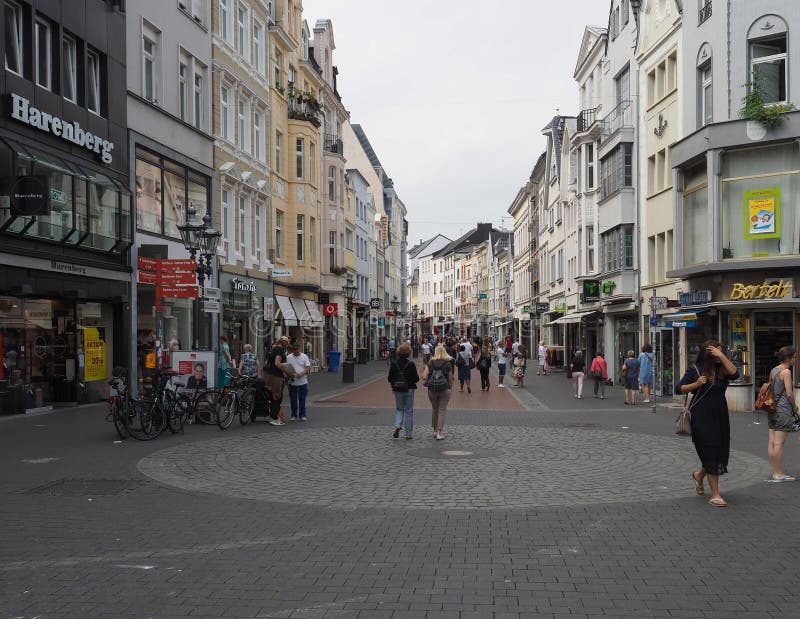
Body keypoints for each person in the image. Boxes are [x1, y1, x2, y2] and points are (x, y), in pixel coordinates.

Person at [678, 340, 739, 507]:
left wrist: (722, 356)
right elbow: (679, 388)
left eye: (721, 352)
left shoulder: (722, 369)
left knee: (718, 450)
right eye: (716, 353)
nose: (719, 356)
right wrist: (696, 384)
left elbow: (735, 374)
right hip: (701, 416)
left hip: (719, 416)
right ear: (707, 355)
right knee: (710, 450)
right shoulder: (695, 369)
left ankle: (699, 475)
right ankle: (715, 494)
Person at [766, 346, 800, 482]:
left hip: (772, 410)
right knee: (779, 444)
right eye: (795, 357)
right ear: (788, 358)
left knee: (772, 442)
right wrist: (795, 407)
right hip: (783, 411)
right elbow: (789, 393)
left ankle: (775, 471)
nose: (796, 359)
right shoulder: (786, 372)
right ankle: (778, 474)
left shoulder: (774, 370)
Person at [421, 344, 454, 440]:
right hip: (445, 389)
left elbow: (423, 376)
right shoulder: (447, 363)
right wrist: (449, 388)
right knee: (442, 410)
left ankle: (435, 430)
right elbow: (450, 378)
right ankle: (440, 432)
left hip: (432, 389)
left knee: (435, 409)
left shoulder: (431, 363)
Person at [388, 343, 419, 440]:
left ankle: (398, 425)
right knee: (409, 411)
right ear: (408, 353)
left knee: (399, 409)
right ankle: (408, 434)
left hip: (398, 389)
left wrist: (394, 384)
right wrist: (410, 381)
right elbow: (416, 378)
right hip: (409, 389)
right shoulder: (411, 364)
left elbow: (390, 378)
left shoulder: (394, 364)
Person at [265, 336, 289, 426]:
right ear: (284, 343)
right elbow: (277, 363)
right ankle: (274, 418)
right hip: (277, 376)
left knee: (272, 396)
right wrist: (287, 371)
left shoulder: (273, 349)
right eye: (287, 343)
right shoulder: (279, 350)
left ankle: (272, 417)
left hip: (270, 375)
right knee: (277, 397)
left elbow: (266, 363)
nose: (287, 345)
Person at [286, 342, 311, 421]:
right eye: (294, 350)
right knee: (293, 400)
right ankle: (293, 415)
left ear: (299, 349)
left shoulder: (304, 356)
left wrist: (302, 373)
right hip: (292, 381)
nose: (295, 351)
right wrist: (288, 374)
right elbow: (286, 366)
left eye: (297, 349)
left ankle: (302, 415)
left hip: (302, 381)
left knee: (302, 399)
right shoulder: (289, 357)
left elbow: (308, 367)